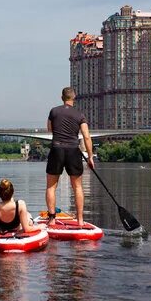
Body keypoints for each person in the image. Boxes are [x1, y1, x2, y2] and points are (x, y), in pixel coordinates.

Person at [45, 86, 95, 226]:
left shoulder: (53, 111)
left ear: (62, 98)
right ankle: (80, 220)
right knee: (77, 187)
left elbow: (49, 129)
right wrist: (90, 157)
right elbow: (86, 136)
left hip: (57, 149)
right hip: (73, 150)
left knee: (51, 187)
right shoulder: (80, 115)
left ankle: (52, 219)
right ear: (74, 98)